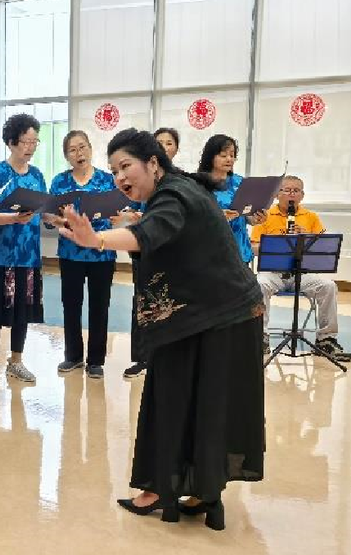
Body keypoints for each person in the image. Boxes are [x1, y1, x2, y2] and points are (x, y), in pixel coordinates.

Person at [61, 128, 265, 531]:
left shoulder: (173, 195)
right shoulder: (177, 189)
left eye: (125, 166)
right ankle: (199, 491)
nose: (119, 177)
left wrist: (96, 239)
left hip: (219, 316)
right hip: (211, 312)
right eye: (114, 170)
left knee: (184, 400)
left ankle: (167, 488)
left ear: (153, 163)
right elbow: (158, 231)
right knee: (194, 401)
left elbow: (150, 234)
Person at [0, 113, 46, 386]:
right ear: (11, 142)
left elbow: (44, 211)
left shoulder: (37, 175)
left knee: (22, 312)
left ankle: (16, 361)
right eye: (26, 141)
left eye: (34, 142)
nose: (30, 147)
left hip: (28, 255)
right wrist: (13, 218)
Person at [251, 175, 349, 360]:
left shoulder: (311, 217)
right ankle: (260, 338)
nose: (291, 194)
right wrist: (276, 243)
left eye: (296, 191)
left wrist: (307, 237)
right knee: (259, 285)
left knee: (328, 286)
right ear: (277, 194)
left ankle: (326, 340)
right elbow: (253, 247)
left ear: (302, 196)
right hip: (273, 272)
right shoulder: (266, 215)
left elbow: (322, 247)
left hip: (302, 272)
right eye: (287, 190)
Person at [46, 130, 116, 380]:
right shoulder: (60, 182)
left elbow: (117, 211)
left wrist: (117, 216)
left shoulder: (107, 180)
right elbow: (48, 216)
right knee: (71, 305)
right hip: (70, 252)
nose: (79, 153)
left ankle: (96, 360)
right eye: (73, 150)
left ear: (91, 148)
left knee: (100, 305)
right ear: (67, 156)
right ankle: (73, 355)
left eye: (83, 147)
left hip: (101, 251)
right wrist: (60, 220)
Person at [121, 127, 180, 379]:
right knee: (142, 301)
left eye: (169, 143)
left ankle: (169, 356)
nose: (164, 146)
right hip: (144, 248)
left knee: (170, 302)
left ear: (175, 149)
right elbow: (125, 208)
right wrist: (131, 216)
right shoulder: (137, 178)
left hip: (172, 251)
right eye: (159, 142)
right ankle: (142, 357)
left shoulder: (177, 181)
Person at [197, 134, 267, 264]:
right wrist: (218, 216)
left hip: (239, 250)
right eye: (223, 155)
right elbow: (192, 217)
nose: (229, 159)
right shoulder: (197, 183)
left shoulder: (240, 182)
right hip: (209, 250)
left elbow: (246, 214)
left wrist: (255, 218)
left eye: (232, 155)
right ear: (210, 156)